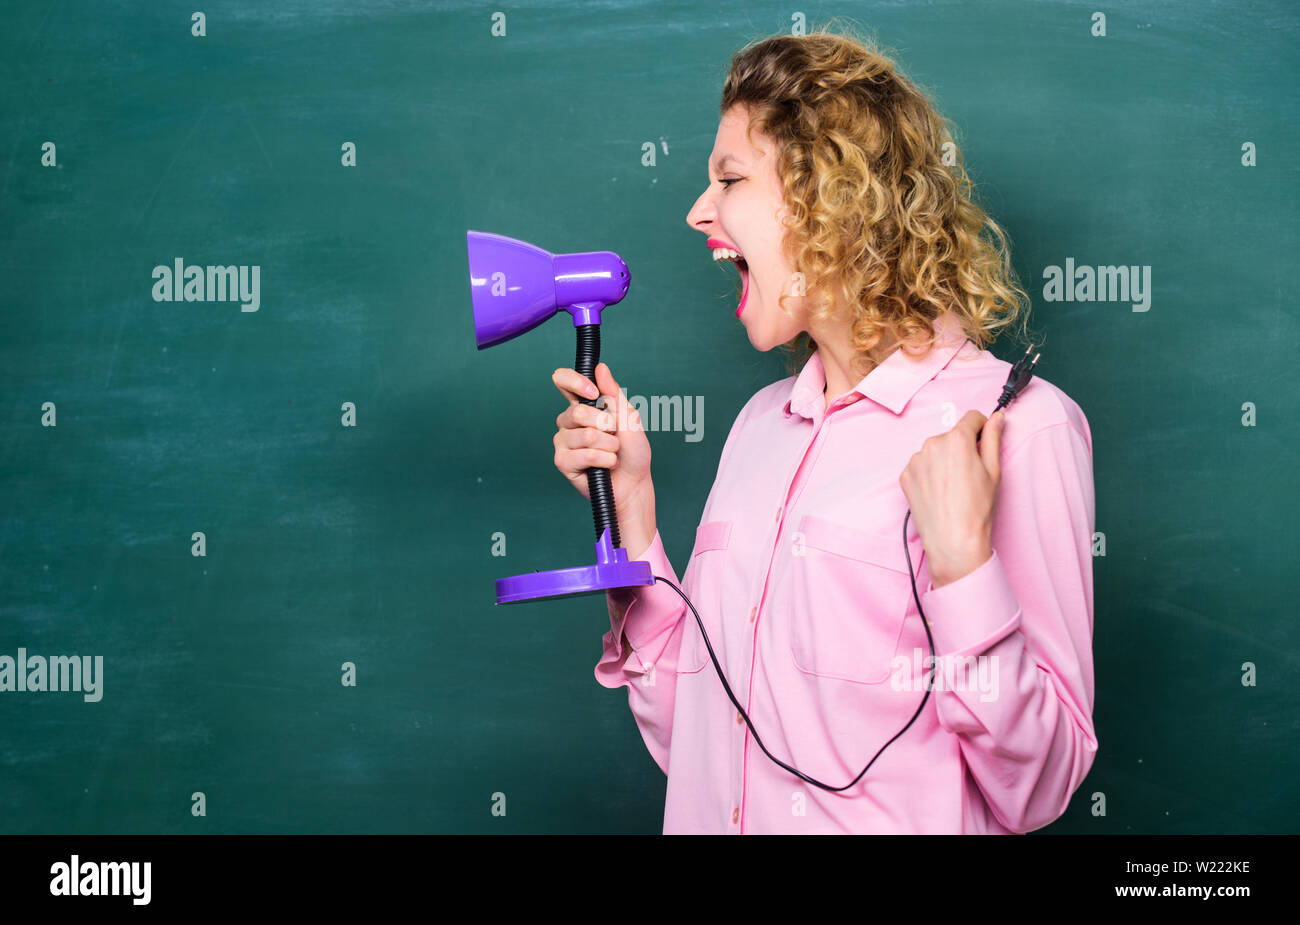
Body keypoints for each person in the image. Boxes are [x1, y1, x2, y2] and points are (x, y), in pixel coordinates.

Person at [551, 30, 1097, 834]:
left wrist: (963, 568)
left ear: (833, 195)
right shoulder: (759, 427)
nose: (699, 211)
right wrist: (631, 512)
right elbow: (697, 742)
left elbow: (1038, 786)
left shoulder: (1022, 427)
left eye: (730, 178)